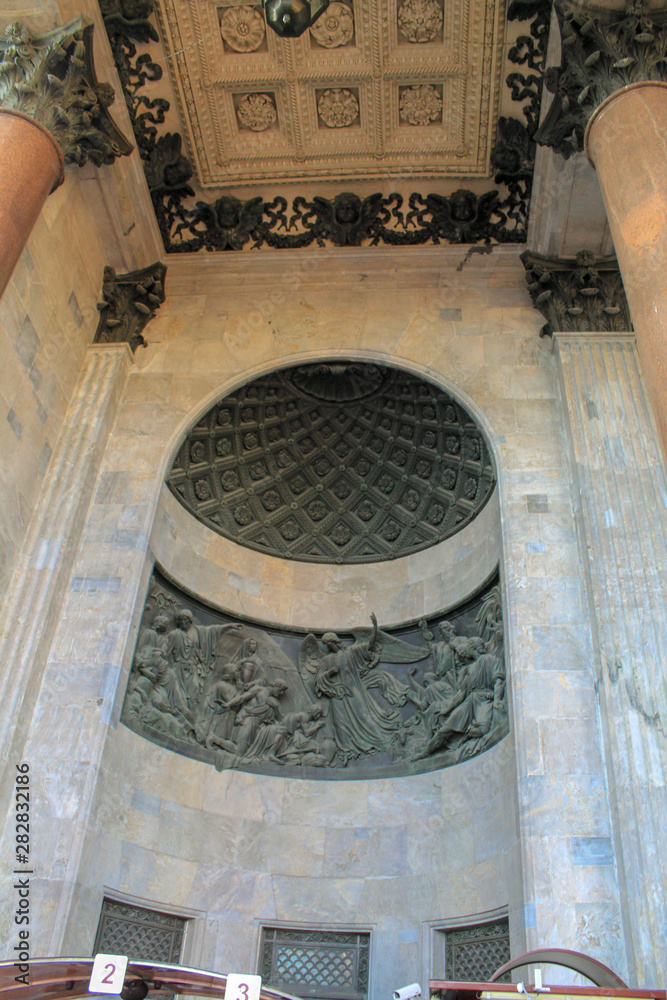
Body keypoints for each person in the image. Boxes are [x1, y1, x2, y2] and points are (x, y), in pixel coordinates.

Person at [315, 629, 401, 762]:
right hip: (337, 694)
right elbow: (319, 679)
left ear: (334, 641)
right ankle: (347, 751)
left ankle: (381, 741)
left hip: (353, 690)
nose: (327, 647)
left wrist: (375, 627)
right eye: (326, 645)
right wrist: (330, 672)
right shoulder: (327, 659)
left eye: (328, 643)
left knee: (365, 716)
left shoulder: (350, 652)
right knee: (340, 724)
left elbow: (369, 646)